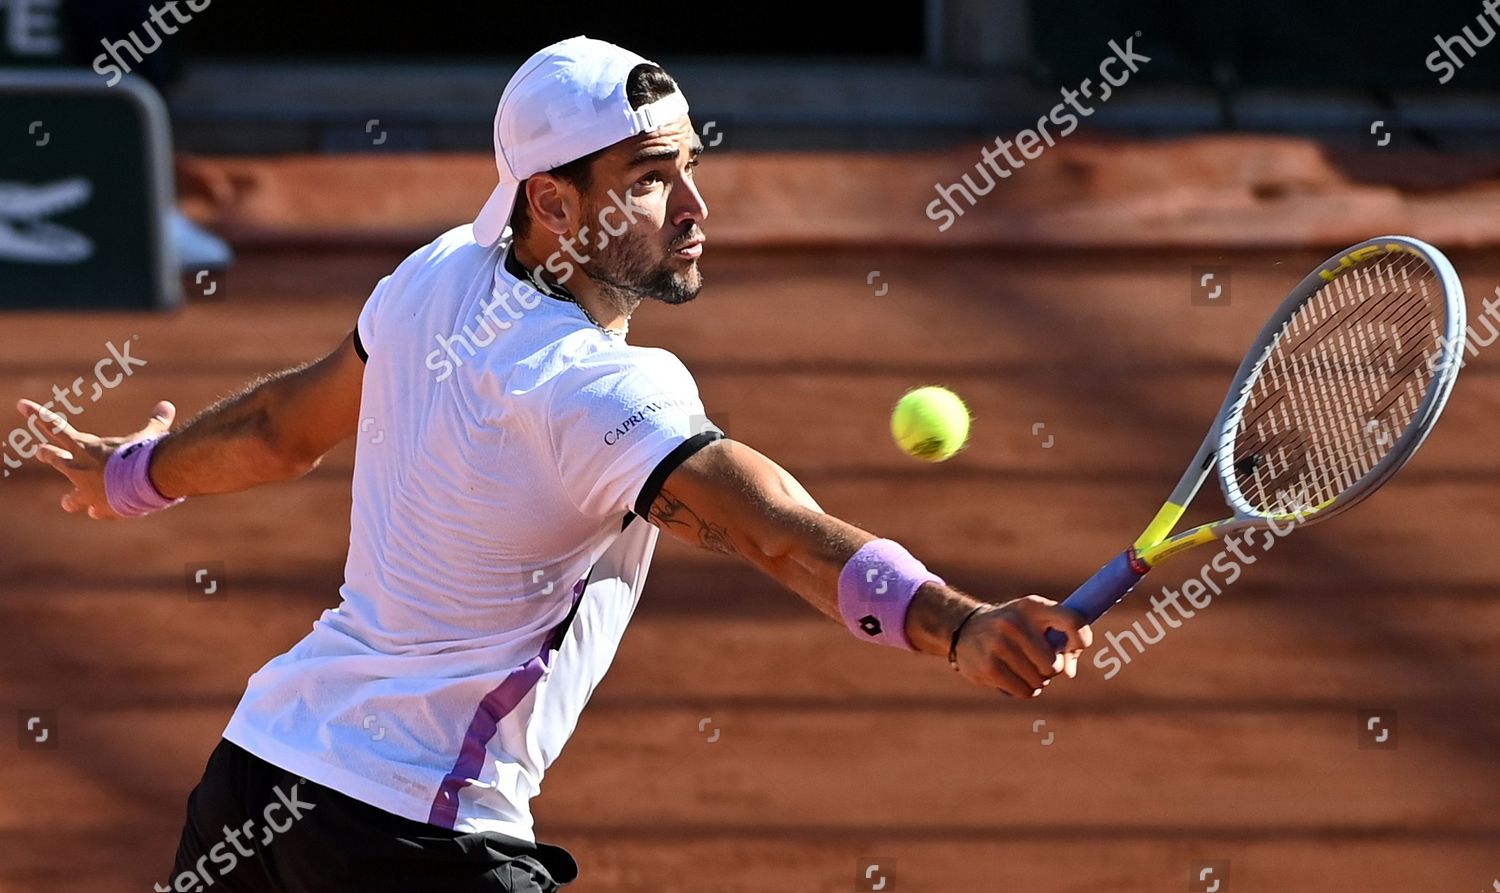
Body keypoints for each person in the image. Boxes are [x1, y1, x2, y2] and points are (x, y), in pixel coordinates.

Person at [15, 35, 1093, 893]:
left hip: (260, 779)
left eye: (692, 169)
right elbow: (771, 528)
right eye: (653, 178)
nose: (695, 208)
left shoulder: (436, 273)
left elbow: (279, 429)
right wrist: (956, 623)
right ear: (555, 202)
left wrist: (131, 475)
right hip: (416, 833)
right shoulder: (602, 386)